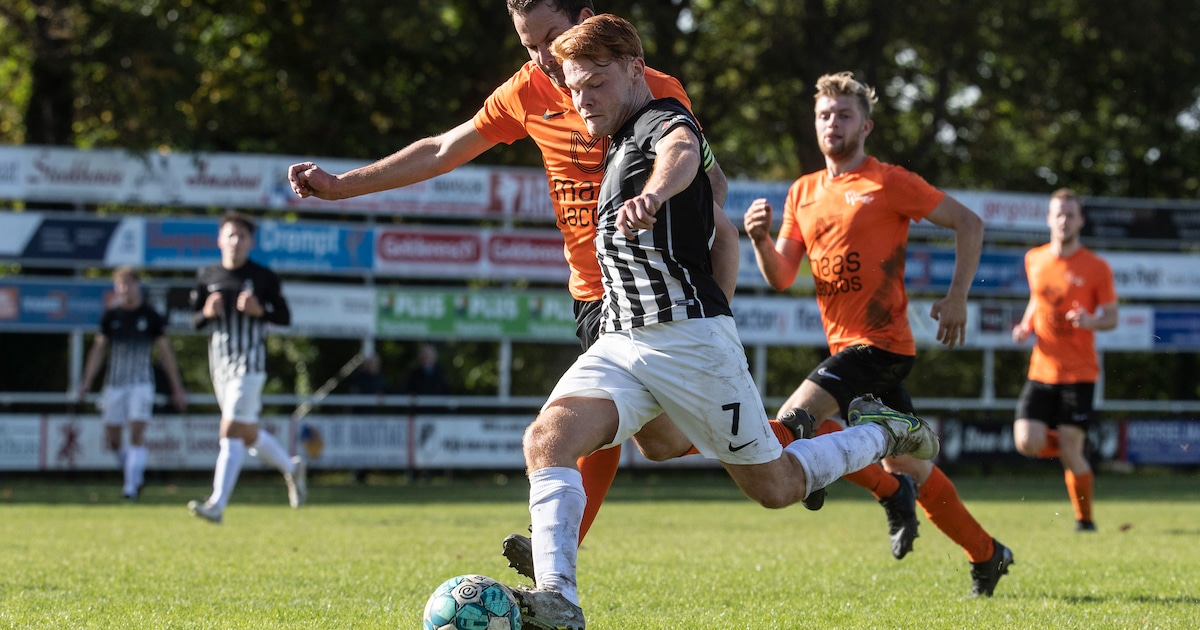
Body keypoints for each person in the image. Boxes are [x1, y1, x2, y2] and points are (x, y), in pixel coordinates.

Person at [509, 17, 941, 629]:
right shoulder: (615, 141)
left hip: (687, 342)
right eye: (575, 88)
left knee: (776, 487)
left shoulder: (662, 121)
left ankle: (881, 433)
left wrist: (656, 195)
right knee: (550, 439)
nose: (583, 101)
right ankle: (559, 601)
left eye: (596, 84)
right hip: (622, 339)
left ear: (633, 69)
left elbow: (681, 152)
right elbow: (726, 233)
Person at [288, 0, 745, 548]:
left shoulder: (646, 85)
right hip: (594, 293)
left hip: (657, 288)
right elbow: (441, 150)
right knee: (641, 436)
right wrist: (342, 186)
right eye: (529, 45)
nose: (543, 56)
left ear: (585, 18)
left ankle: (555, 549)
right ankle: (778, 440)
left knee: (631, 433)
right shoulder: (527, 91)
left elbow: (701, 171)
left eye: (551, 37)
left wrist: (689, 247)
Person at [743, 71, 1014, 597]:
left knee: (795, 420)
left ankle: (865, 488)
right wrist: (758, 240)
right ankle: (986, 553)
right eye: (825, 115)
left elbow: (970, 223)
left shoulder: (888, 182)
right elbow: (781, 276)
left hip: (882, 346)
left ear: (865, 126)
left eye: (844, 115)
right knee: (906, 461)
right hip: (846, 350)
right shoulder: (803, 192)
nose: (833, 123)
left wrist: (957, 296)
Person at [186, 211, 306, 524]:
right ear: (220, 240)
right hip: (220, 367)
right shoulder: (207, 275)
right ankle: (292, 468)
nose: (235, 241)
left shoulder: (263, 276)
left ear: (251, 242)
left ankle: (216, 505)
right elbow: (193, 320)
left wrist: (260, 311)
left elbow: (284, 317)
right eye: (230, 235)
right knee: (247, 433)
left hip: (250, 365)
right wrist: (205, 313)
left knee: (229, 429)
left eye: (242, 236)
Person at [1011, 188, 1117, 532]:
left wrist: (1090, 321)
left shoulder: (1097, 267)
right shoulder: (1035, 258)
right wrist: (1026, 326)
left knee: (1072, 451)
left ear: (1081, 221)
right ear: (1048, 218)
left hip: (1079, 373)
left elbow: (1112, 317)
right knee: (1026, 442)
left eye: (1070, 214)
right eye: (1058, 213)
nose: (1064, 220)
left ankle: (1085, 521)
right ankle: (1071, 444)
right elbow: (1037, 299)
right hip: (1042, 369)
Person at [76, 266, 188, 500]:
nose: (125, 289)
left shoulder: (150, 315)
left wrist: (176, 387)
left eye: (129, 284)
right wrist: (86, 381)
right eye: (121, 285)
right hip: (114, 384)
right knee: (113, 439)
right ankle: (135, 475)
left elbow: (166, 353)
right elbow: (98, 350)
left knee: (137, 433)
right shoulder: (111, 316)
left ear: (137, 286)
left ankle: (130, 488)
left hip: (141, 384)